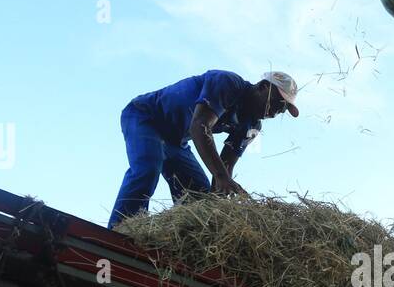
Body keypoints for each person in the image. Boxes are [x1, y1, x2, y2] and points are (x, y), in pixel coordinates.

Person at [108, 69, 299, 228]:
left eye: (283, 110)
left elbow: (225, 166)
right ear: (263, 87)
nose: (276, 112)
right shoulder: (228, 83)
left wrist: (221, 197)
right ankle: (122, 230)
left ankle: (181, 244)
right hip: (147, 117)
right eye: (277, 102)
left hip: (176, 141)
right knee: (148, 169)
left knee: (200, 197)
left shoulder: (252, 127)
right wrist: (222, 177)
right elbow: (199, 126)